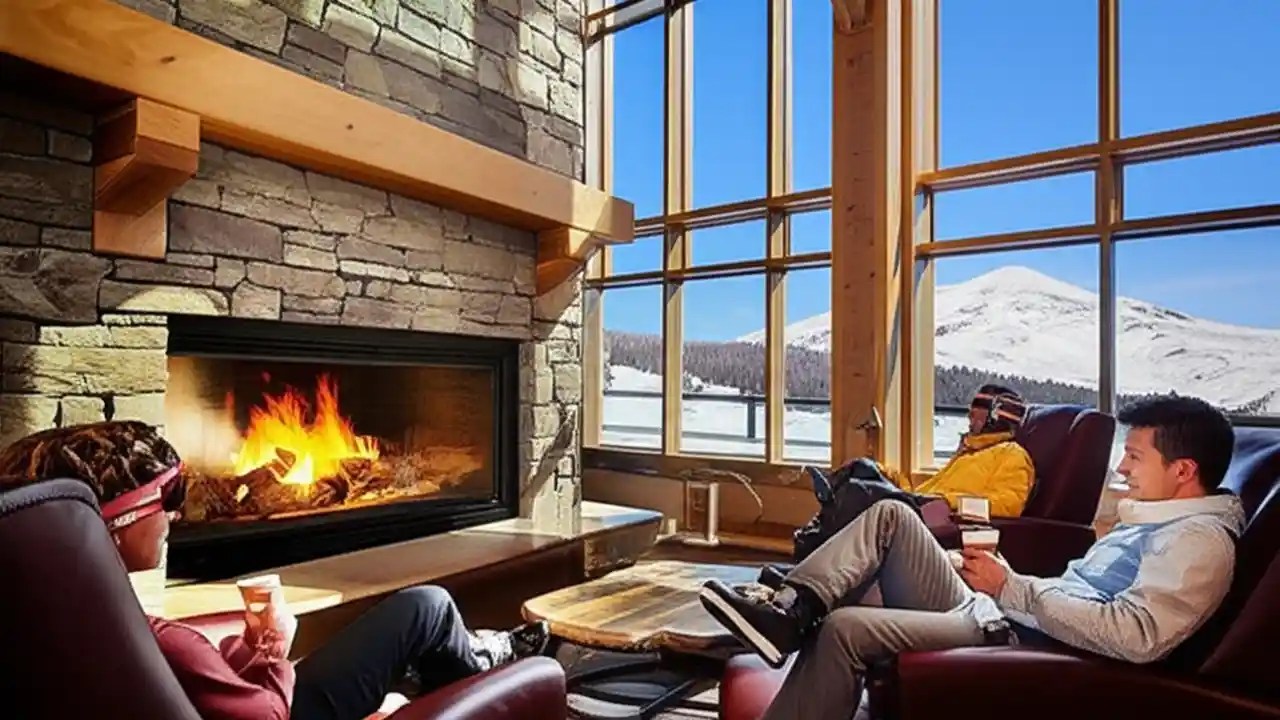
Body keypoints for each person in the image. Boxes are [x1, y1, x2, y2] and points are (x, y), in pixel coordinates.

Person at [700, 394, 1243, 720]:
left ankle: (797, 626)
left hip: (1027, 642)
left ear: (1184, 470)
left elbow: (1137, 638)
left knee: (846, 628)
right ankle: (789, 609)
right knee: (892, 516)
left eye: (1134, 456)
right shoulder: (1159, 521)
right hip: (1014, 615)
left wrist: (1013, 588)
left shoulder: (1197, 542)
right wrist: (1005, 583)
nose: (1122, 468)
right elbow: (1080, 595)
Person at [0, 421, 550, 720]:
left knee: (423, 614)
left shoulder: (59, 628)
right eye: (169, 496)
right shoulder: (163, 643)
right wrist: (271, 648)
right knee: (426, 606)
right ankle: (484, 661)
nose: (175, 514)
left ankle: (460, 658)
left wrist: (240, 654)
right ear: (116, 522)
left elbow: (201, 685)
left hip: (250, 697)